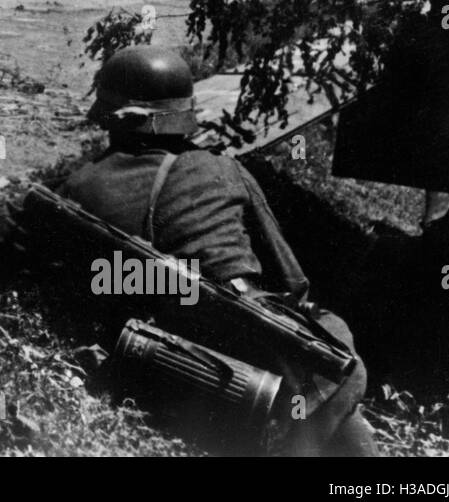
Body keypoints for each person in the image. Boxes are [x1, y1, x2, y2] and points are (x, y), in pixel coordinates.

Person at [64, 45, 379, 456]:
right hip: (255, 349)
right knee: (338, 362)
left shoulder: (80, 186)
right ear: (183, 114)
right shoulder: (222, 169)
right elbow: (292, 280)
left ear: (110, 116)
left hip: (162, 355)